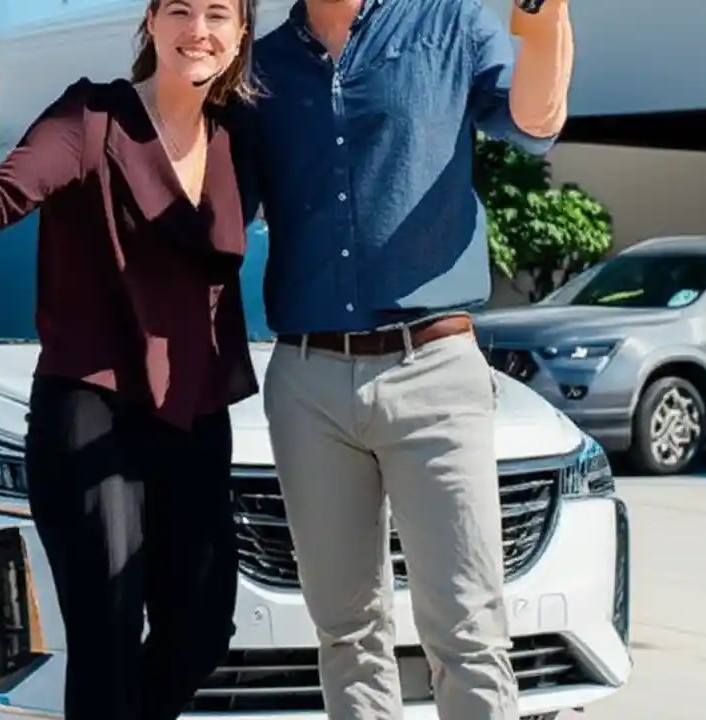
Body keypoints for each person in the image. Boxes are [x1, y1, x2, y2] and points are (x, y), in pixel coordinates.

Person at [232, 0, 575, 718]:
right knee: (347, 631)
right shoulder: (259, 68)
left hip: (434, 369)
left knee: (468, 630)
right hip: (308, 383)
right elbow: (210, 202)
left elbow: (537, 121)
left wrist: (542, 19)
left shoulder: (449, 24)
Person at [0, 1, 261, 718]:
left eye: (217, 14)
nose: (196, 30)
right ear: (150, 21)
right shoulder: (91, 118)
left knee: (203, 628)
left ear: (240, 34)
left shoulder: (240, 141)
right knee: (107, 633)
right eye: (179, 9)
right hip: (90, 409)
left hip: (196, 416)